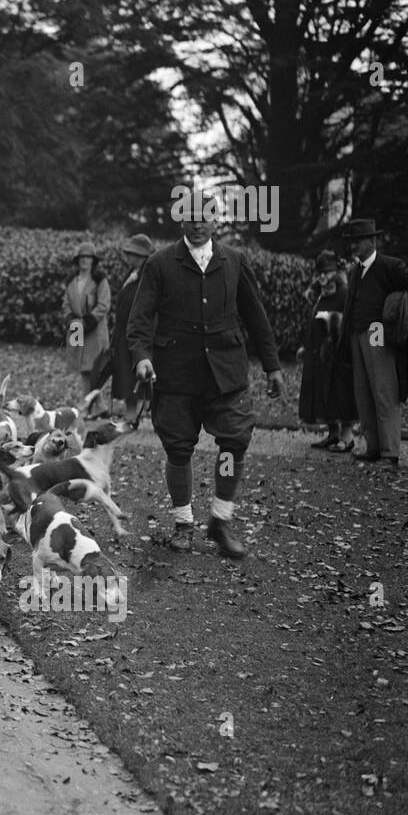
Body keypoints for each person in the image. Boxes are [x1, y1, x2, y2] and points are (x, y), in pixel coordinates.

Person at [128, 200, 283, 558]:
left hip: (225, 375)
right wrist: (142, 358)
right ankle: (183, 523)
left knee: (234, 441)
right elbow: (138, 322)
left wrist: (272, 365)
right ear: (181, 221)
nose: (197, 224)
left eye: (205, 217)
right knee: (179, 449)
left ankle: (220, 521)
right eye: (190, 218)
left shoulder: (234, 261)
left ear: (216, 220)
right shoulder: (160, 263)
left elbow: (255, 316)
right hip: (176, 374)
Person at [337, 219, 408, 468]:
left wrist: (395, 312)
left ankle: (390, 453)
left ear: (372, 241)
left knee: (383, 391)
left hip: (377, 334)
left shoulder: (389, 265)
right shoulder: (356, 271)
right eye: (352, 241)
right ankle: (374, 447)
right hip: (357, 335)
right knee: (363, 393)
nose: (354, 245)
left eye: (358, 241)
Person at [298, 251, 355, 452]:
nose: (322, 276)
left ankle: (347, 438)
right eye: (320, 272)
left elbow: (349, 324)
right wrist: (306, 345)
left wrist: (332, 321)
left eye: (327, 272)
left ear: (336, 272)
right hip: (319, 355)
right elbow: (312, 323)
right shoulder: (320, 294)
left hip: (339, 356)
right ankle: (332, 434)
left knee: (341, 394)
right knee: (324, 395)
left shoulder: (345, 293)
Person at [110, 234, 155, 421]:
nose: (129, 257)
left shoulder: (149, 276)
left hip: (140, 333)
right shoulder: (130, 275)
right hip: (124, 333)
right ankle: (130, 415)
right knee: (125, 376)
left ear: (141, 256)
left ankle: (152, 416)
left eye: (133, 254)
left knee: (142, 375)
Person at [64, 245, 111, 399]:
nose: (84, 260)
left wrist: (89, 321)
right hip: (77, 329)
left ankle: (93, 404)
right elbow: (65, 303)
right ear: (77, 261)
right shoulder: (71, 281)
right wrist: (70, 319)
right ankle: (93, 406)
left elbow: (104, 305)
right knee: (82, 367)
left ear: (93, 261)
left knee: (95, 368)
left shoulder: (100, 280)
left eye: (88, 257)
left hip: (95, 330)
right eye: (81, 257)